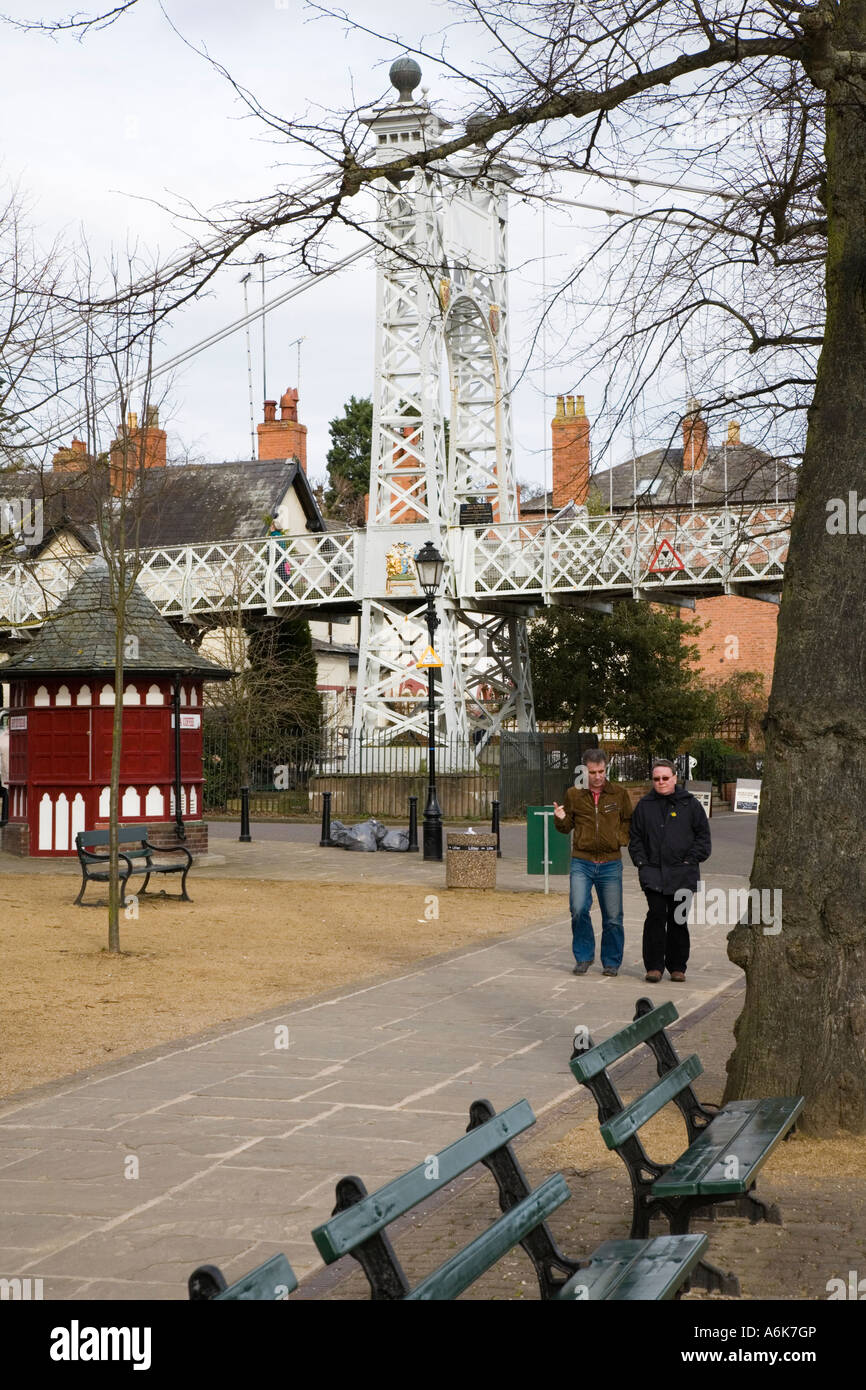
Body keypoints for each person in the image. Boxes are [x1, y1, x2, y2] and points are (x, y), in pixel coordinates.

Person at [628, 759, 711, 983]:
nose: (661, 782)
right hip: (653, 873)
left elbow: (703, 838)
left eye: (665, 778)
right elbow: (635, 839)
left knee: (678, 919)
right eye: (657, 779)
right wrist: (641, 863)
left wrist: (690, 860)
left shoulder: (690, 805)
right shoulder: (644, 806)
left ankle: (677, 966)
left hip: (683, 873)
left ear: (675, 778)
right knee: (656, 915)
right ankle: (654, 966)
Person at [553, 749, 633, 977]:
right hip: (582, 861)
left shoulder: (619, 793)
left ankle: (611, 961)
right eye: (592, 772)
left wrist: (621, 839)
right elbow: (566, 826)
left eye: (601, 771)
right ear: (584, 771)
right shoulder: (574, 794)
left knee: (613, 916)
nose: (597, 776)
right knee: (578, 909)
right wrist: (559, 818)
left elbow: (628, 820)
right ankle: (584, 957)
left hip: (610, 863)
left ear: (606, 768)